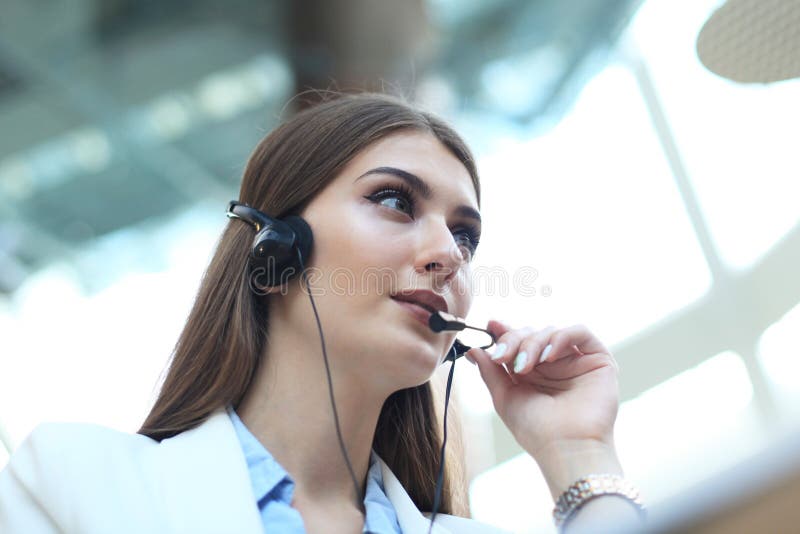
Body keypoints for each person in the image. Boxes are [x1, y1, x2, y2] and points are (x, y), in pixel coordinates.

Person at [0, 93, 644, 533]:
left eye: (466, 236)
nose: (449, 254)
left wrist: (579, 455)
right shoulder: (69, 485)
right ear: (277, 248)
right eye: (394, 200)